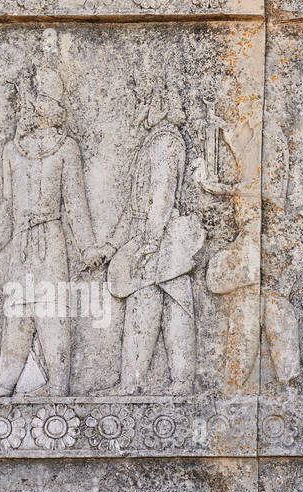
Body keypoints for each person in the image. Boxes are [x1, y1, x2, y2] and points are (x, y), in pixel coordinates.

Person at [0, 63, 102, 396]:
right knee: (17, 312)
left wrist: (88, 247)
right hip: (21, 241)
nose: (20, 108)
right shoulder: (12, 151)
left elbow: (76, 204)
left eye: (25, 101)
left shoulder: (65, 149)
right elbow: (7, 206)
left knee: (51, 311)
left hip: (51, 241)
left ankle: (59, 384)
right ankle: (6, 382)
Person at [99, 80, 204, 395]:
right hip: (148, 233)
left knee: (164, 305)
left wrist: (152, 241)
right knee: (152, 305)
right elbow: (134, 207)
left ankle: (174, 381)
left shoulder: (166, 141)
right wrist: (111, 245)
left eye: (143, 101)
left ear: (158, 103)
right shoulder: (154, 141)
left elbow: (162, 196)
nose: (139, 109)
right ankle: (142, 382)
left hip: (161, 236)